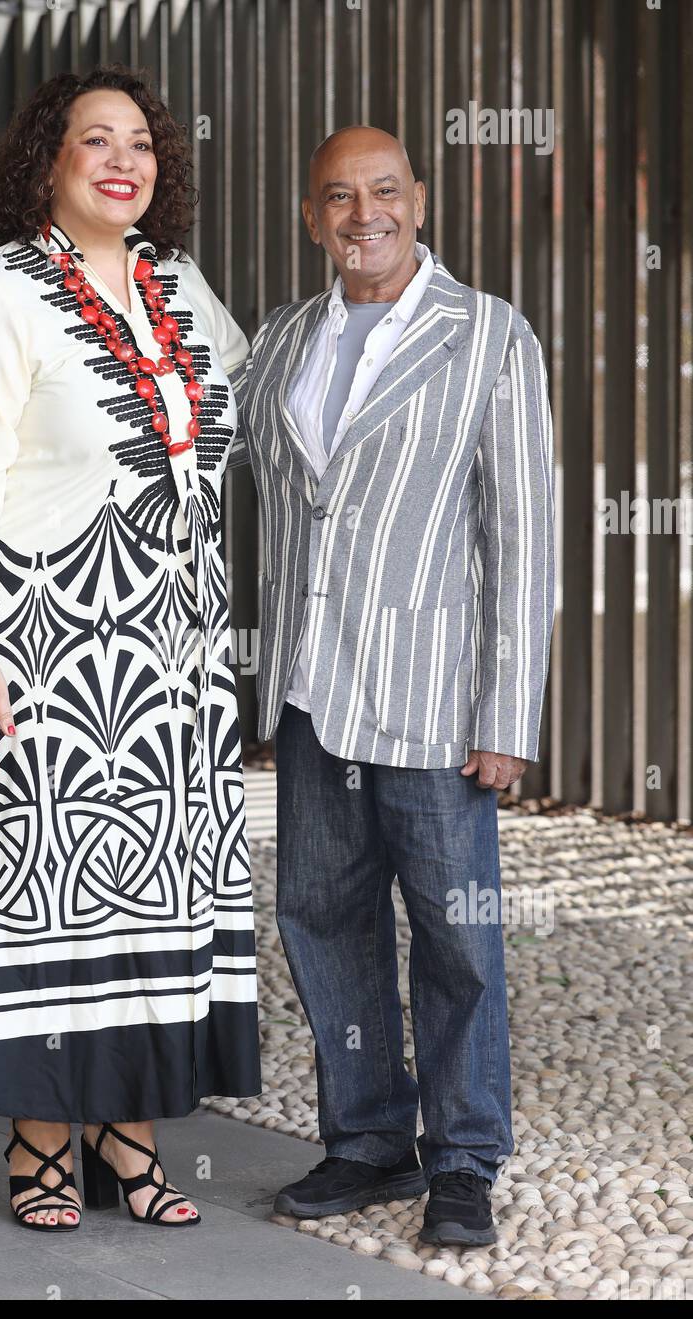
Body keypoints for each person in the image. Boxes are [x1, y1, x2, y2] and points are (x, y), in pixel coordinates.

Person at [0, 65, 262, 1231]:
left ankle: (128, 1137)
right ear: (46, 162)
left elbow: (257, 397)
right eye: (94, 141)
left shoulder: (180, 285)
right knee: (40, 900)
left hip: (166, 663)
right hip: (31, 647)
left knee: (142, 904)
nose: (124, 161)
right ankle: (38, 1145)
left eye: (142, 144)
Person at [230, 126, 555, 1246]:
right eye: (337, 196)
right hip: (316, 696)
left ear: (418, 198)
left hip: (433, 700)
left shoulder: (489, 335)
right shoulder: (280, 340)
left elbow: (522, 539)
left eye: (382, 190)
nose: (362, 213)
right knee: (323, 917)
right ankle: (368, 1141)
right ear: (311, 216)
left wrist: (506, 714)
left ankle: (464, 1158)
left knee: (458, 938)